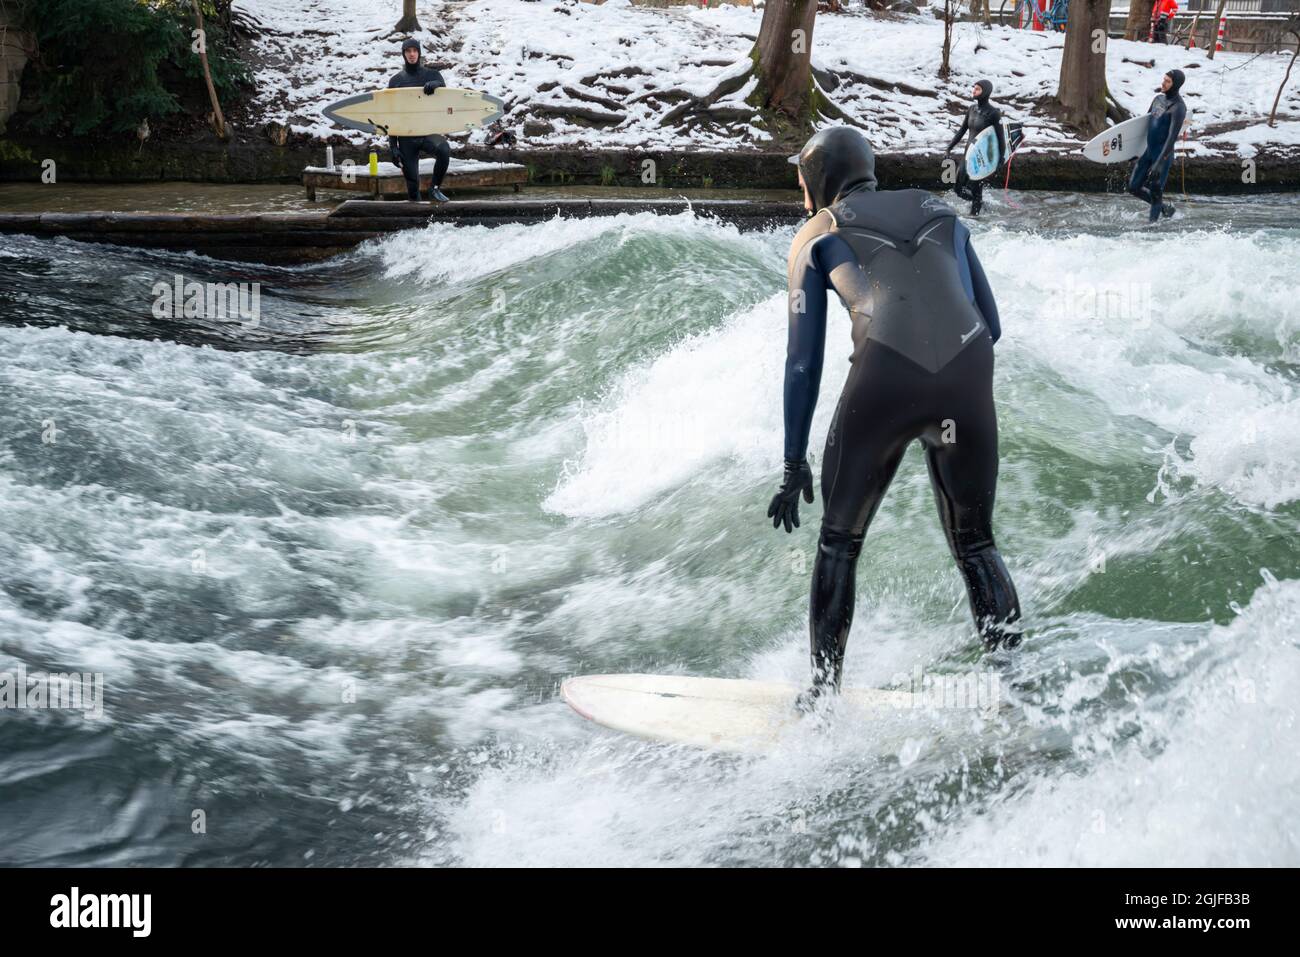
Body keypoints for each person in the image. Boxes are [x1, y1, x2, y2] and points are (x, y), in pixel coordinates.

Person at [769, 127, 1022, 707]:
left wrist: (792, 464)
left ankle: (824, 700)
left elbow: (802, 363)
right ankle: (1017, 689)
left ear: (816, 180)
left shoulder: (817, 232)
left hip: (885, 378)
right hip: (967, 367)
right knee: (977, 544)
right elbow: (994, 322)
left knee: (839, 543)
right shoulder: (943, 211)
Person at [388, 38, 451, 203]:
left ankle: (435, 188)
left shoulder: (432, 75)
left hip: (427, 131)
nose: (411, 54)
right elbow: (391, 115)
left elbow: (447, 97)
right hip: (406, 136)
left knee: (444, 149)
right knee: (413, 188)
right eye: (408, 51)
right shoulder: (396, 81)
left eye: (414, 50)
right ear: (403, 54)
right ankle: (417, 223)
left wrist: (437, 85)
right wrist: (393, 147)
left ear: (419, 53)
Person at [1128, 69, 1187, 223]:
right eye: (1164, 79)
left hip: (1163, 155)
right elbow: (1143, 127)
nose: (1163, 83)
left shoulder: (1178, 107)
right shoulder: (1157, 99)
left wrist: (1159, 163)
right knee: (1133, 187)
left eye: (1168, 81)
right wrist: (1134, 151)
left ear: (1176, 85)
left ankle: (1152, 228)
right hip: (1148, 152)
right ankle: (1165, 209)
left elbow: (1172, 137)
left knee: (1155, 192)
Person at [945, 80, 1005, 217]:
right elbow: (961, 131)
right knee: (957, 189)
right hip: (967, 155)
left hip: (981, 158)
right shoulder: (972, 109)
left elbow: (1000, 139)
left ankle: (975, 216)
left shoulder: (993, 114)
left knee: (976, 189)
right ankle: (980, 203)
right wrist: (949, 148)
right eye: (974, 88)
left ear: (986, 92)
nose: (974, 91)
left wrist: (999, 161)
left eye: (977, 89)